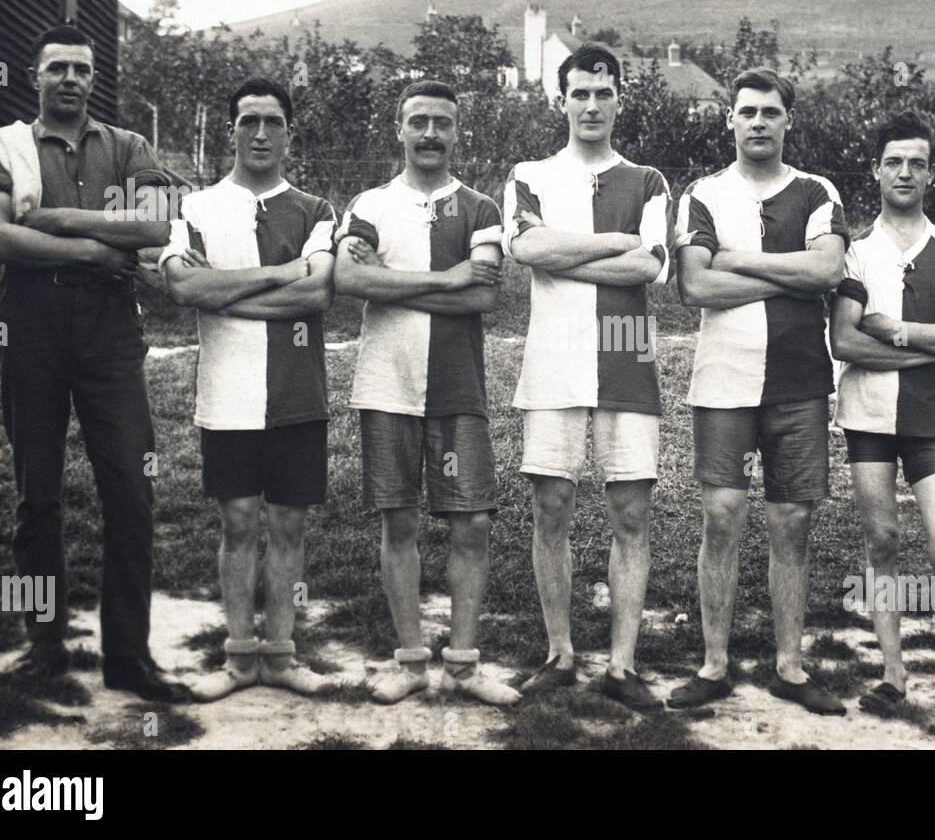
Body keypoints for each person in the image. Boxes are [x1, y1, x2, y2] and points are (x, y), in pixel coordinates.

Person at [0, 24, 187, 701]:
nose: (69, 78)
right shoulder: (5, 145)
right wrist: (93, 249)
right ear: (35, 77)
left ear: (95, 79)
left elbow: (155, 226)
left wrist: (54, 221)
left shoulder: (127, 146)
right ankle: (43, 647)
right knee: (38, 495)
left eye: (81, 69)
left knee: (130, 490)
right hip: (30, 326)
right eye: (56, 67)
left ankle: (128, 657)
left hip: (109, 333)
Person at [668, 68, 848, 714]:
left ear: (788, 120)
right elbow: (696, 287)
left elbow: (829, 268)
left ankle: (790, 666)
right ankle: (714, 663)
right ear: (730, 120)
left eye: (771, 112)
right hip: (724, 382)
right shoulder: (702, 194)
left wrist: (739, 259)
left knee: (791, 521)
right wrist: (792, 276)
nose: (759, 122)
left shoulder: (817, 190)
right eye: (747, 111)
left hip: (798, 380)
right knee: (722, 517)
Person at [335, 80, 519, 706]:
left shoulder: (481, 207)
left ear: (457, 131)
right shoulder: (370, 203)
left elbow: (484, 295)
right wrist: (445, 278)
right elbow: (349, 277)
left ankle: (463, 664)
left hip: (456, 384)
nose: (431, 134)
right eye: (419, 122)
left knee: (471, 523)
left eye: (442, 123)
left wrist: (391, 281)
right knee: (400, 520)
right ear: (400, 128)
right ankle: (411, 661)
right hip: (386, 384)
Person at [501, 43, 672, 712]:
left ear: (620, 99)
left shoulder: (650, 180)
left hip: (626, 353)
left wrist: (566, 248)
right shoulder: (530, 174)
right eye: (581, 93)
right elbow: (525, 248)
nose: (592, 104)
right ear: (562, 99)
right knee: (552, 506)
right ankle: (560, 652)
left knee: (631, 511)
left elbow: (650, 267)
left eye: (604, 93)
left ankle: (623, 663)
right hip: (554, 358)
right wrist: (614, 241)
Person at [160, 78, 337, 701]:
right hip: (227, 393)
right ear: (230, 130)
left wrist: (228, 292)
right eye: (247, 121)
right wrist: (278, 275)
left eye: (272, 121)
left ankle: (282, 655)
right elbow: (182, 289)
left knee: (288, 525)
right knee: (237, 521)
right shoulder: (196, 207)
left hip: (297, 393)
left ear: (289, 132)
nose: (259, 133)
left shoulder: (317, 210)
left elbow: (317, 293)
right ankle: (238, 659)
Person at [828, 110, 935, 731]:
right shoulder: (855, 253)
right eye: (894, 161)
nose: (905, 172)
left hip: (933, 420)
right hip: (869, 418)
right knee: (881, 544)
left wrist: (901, 332)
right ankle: (893, 674)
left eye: (917, 163)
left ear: (932, 174)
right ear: (876, 170)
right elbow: (844, 342)